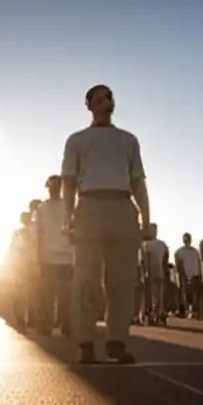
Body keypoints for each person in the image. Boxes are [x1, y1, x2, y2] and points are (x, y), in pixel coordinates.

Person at [61, 84, 150, 364]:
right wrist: (69, 218)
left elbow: (138, 181)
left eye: (108, 97)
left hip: (122, 207)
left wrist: (146, 219)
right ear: (89, 106)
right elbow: (69, 182)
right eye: (98, 99)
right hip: (89, 207)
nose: (104, 102)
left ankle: (117, 340)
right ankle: (86, 340)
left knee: (122, 280)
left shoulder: (128, 140)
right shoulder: (76, 140)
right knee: (87, 279)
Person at [35, 175, 74, 335]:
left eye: (57, 186)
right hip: (47, 257)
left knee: (65, 294)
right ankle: (46, 325)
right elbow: (39, 233)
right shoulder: (42, 209)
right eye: (51, 186)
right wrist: (38, 256)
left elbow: (75, 229)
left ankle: (66, 324)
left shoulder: (70, 206)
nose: (54, 189)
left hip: (66, 256)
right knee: (47, 294)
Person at [141, 224, 169, 326]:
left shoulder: (160, 245)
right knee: (153, 295)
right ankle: (153, 315)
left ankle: (157, 314)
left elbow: (165, 259)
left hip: (157, 272)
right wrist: (146, 272)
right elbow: (145, 260)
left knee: (158, 295)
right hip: (152, 272)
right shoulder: (148, 245)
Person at [173, 233, 203, 320]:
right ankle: (183, 311)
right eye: (185, 239)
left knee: (193, 294)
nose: (187, 241)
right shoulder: (179, 252)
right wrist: (181, 275)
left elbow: (198, 263)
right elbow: (178, 264)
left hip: (194, 275)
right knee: (184, 294)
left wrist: (200, 274)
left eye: (188, 239)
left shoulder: (195, 251)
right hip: (184, 276)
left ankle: (194, 311)